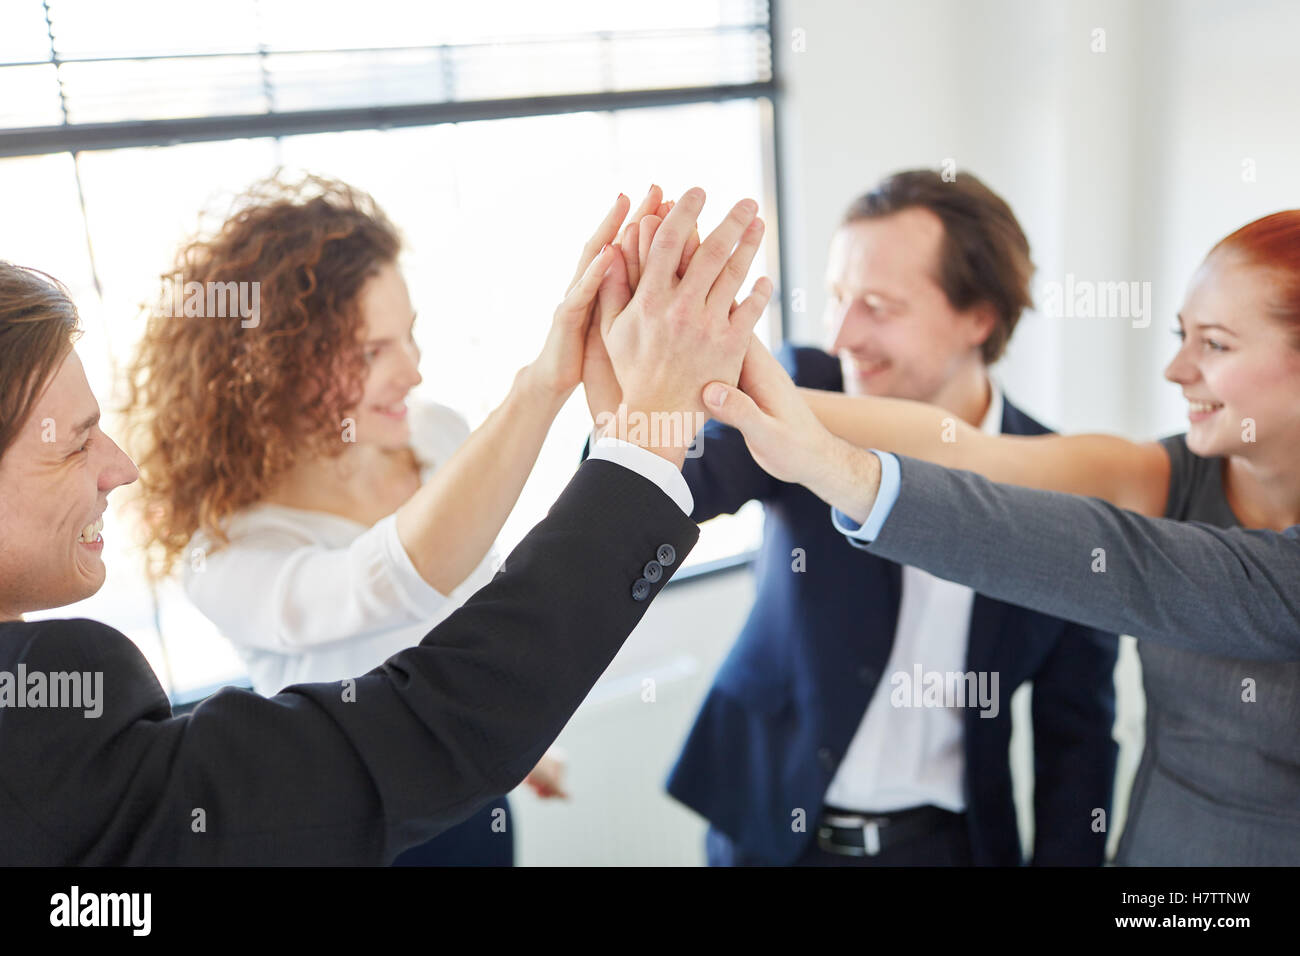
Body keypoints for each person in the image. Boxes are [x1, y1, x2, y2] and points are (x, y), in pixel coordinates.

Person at [0, 185, 773, 864]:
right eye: (374, 350)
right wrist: (571, 399)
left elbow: (474, 602)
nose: (412, 370)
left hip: (471, 792)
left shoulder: (434, 431)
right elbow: (396, 580)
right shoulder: (227, 553)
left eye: (412, 335)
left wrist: (510, 734)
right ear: (275, 362)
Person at [685, 209, 1300, 865]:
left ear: (978, 318)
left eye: (1216, 343)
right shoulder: (1161, 473)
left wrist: (822, 456)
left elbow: (1077, 726)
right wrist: (710, 389)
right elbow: (972, 455)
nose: (1176, 369)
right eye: (1182, 335)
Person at [590, 170, 1118, 866]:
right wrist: (646, 371)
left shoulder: (1062, 486)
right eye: (837, 298)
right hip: (768, 830)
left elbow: (1076, 734)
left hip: (945, 849)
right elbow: (667, 482)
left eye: (877, 305)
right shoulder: (801, 387)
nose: (841, 335)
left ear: (979, 317)